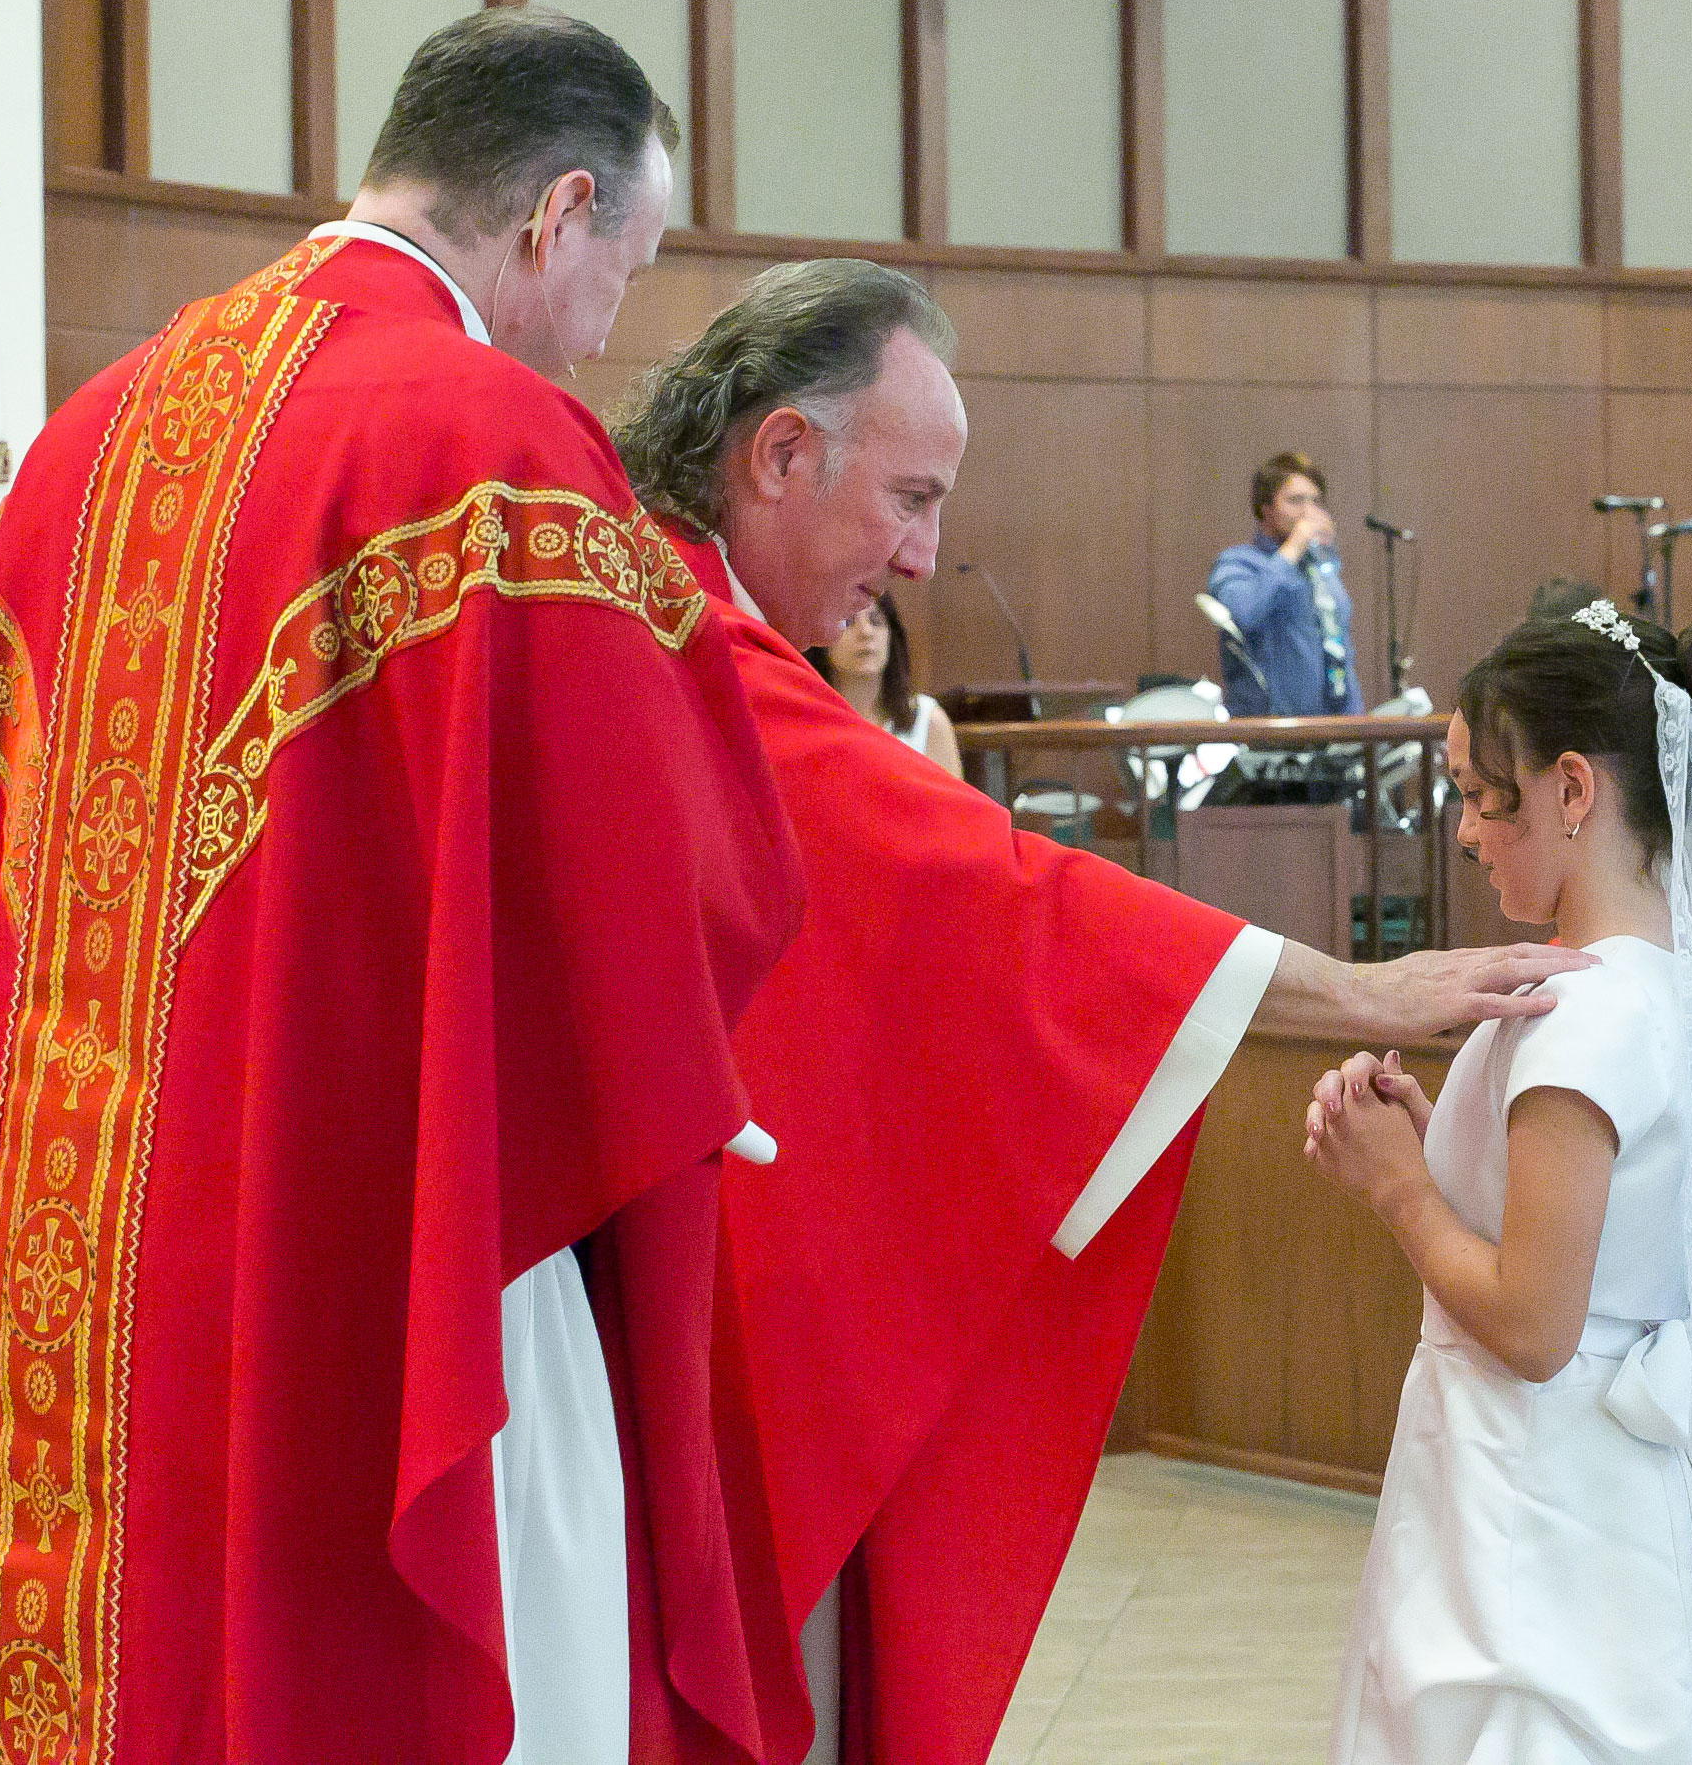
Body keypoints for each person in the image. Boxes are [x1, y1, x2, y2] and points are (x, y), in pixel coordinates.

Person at [0, 8, 809, 1765]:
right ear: (559, 213)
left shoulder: (89, 435)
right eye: (626, 269)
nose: (609, 329)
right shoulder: (487, 440)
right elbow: (667, 874)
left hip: (96, 1271)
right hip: (383, 1250)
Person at [610, 259, 1596, 1764]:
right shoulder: (690, 639)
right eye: (911, 498)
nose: (924, 557)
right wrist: (1351, 985)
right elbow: (996, 892)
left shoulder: (655, 598)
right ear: (782, 452)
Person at [1304, 603, 1692, 1763]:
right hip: (1619, 1485)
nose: (1462, 831)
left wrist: (1397, 1190)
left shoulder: (1576, 1011)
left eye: (1475, 793)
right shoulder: (1670, 986)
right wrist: (1430, 1143)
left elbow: (1536, 1324)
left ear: (1572, 788)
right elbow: (1607, 1227)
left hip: (1532, 1490)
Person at [1207, 450, 1365, 717]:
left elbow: (1339, 647)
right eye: (1296, 500)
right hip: (1268, 728)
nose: (1309, 513)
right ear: (1266, 509)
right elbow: (1244, 614)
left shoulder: (1318, 568)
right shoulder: (1238, 563)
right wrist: (1293, 548)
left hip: (1333, 725)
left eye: (1315, 501)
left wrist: (1356, 723)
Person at [807, 589, 961, 774]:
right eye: (848, 622)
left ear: (891, 636)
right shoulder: (806, 721)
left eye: (876, 621)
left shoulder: (927, 720)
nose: (866, 632)